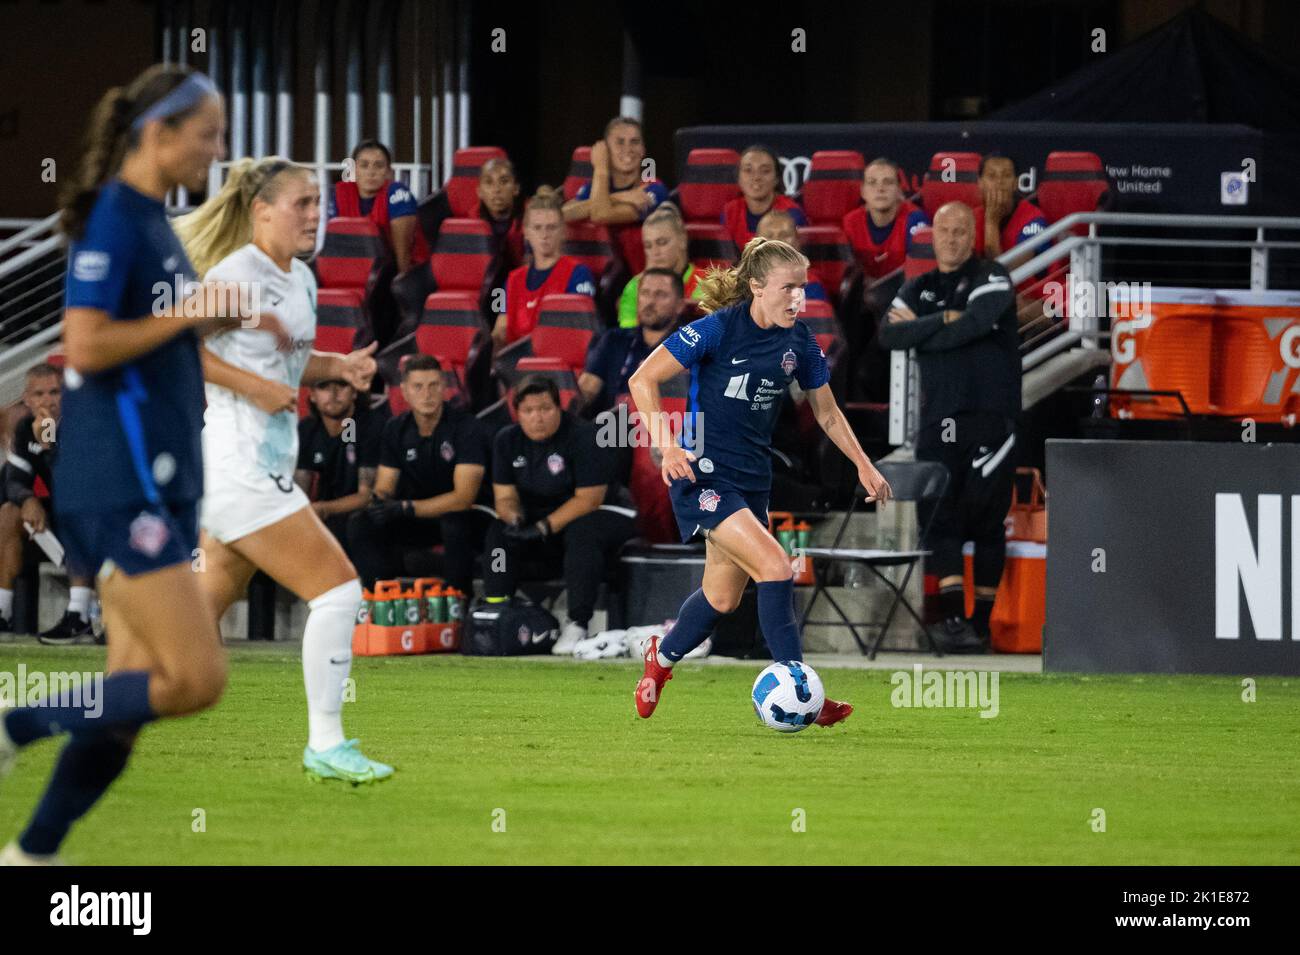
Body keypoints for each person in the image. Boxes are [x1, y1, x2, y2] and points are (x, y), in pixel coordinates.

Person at [0, 65, 263, 865]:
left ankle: (33, 853)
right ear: (160, 131)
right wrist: (187, 313)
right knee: (197, 678)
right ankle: (15, 724)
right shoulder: (117, 216)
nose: (217, 150)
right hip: (122, 482)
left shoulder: (153, 219)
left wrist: (208, 327)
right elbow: (83, 344)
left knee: (125, 706)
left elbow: (149, 336)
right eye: (208, 133)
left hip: (160, 480)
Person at [175, 155, 393, 784]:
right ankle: (326, 743)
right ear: (260, 210)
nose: (314, 213)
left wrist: (339, 366)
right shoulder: (236, 274)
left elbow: (290, 365)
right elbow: (177, 344)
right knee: (338, 590)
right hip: (237, 463)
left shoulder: (297, 277)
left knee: (189, 624)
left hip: (257, 463)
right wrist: (252, 386)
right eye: (300, 202)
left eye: (318, 202)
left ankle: (76, 716)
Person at [627, 236, 892, 723]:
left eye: (803, 289)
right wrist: (667, 444)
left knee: (722, 597)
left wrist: (863, 463)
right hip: (702, 472)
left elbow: (828, 412)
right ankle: (801, 689)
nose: (798, 298)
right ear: (756, 287)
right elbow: (642, 380)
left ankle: (659, 661)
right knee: (775, 566)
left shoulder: (800, 341)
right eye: (788, 288)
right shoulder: (716, 330)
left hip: (753, 480)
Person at [877, 202, 1020, 653]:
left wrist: (924, 331)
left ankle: (984, 623)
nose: (952, 238)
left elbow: (976, 324)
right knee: (939, 518)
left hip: (990, 420)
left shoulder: (991, 275)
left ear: (972, 233)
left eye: (960, 231)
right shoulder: (919, 287)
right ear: (932, 236)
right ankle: (956, 622)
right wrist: (941, 320)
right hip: (937, 421)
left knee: (987, 521)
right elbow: (889, 335)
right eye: (944, 231)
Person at [484, 376, 637, 655]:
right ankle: (496, 608)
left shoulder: (583, 435)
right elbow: (504, 497)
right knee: (499, 530)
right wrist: (514, 518)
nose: (537, 417)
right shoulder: (506, 440)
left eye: (545, 409)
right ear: (517, 413)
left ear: (559, 407)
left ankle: (578, 622)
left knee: (583, 531)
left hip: (605, 511)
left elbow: (589, 499)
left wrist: (542, 527)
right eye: (529, 411)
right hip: (543, 517)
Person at [347, 355, 492, 594]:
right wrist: (379, 502)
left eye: (434, 385)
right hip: (415, 515)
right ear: (404, 391)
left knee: (454, 523)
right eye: (418, 387)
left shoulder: (467, 427)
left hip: (467, 516)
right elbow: (385, 486)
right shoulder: (395, 428)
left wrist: (405, 507)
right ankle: (381, 598)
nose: (427, 394)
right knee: (361, 523)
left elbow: (463, 498)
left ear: (444, 387)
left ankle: (458, 601)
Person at [0, 364, 99, 643]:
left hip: (98, 522)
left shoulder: (81, 422)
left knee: (75, 506)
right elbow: (14, 480)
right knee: (9, 511)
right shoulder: (23, 428)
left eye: (54, 392)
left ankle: (79, 615)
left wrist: (49, 445)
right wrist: (27, 498)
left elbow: (76, 487)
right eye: (39, 394)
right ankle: (2, 611)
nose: (48, 401)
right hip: (59, 523)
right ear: (27, 400)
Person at [563, 117, 670, 274]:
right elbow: (563, 214)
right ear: (606, 150)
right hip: (601, 275)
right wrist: (619, 197)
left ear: (642, 150)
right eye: (620, 142)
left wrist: (600, 169)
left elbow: (601, 215)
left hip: (643, 280)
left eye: (634, 142)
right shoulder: (597, 188)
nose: (628, 149)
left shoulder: (654, 189)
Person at [495, 186, 596, 346]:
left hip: (557, 360)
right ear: (526, 232)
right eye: (537, 228)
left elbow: (577, 332)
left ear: (563, 231)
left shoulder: (578, 274)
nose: (544, 235)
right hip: (514, 362)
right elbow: (501, 330)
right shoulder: (512, 280)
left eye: (551, 227)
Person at [295, 377, 385, 553]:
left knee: (354, 524)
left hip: (361, 516)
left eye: (342, 385)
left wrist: (323, 509)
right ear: (312, 395)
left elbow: (367, 496)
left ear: (354, 392)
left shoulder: (370, 426)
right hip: (322, 515)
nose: (333, 394)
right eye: (324, 386)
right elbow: (300, 492)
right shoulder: (307, 429)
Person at [582, 267, 684, 415]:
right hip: (610, 429)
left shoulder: (690, 346)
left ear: (679, 306)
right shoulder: (614, 339)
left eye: (660, 295)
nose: (650, 302)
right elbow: (587, 388)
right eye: (645, 293)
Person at [329, 139, 428, 274]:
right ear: (353, 171)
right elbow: (337, 245)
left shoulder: (398, 193)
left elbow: (404, 257)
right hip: (360, 271)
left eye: (379, 166)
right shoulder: (342, 194)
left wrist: (401, 286)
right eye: (364, 165)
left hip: (400, 272)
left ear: (388, 172)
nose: (371, 172)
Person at [616, 202, 703, 328]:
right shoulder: (634, 286)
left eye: (662, 243)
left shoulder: (707, 283)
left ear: (682, 240)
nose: (654, 252)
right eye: (648, 246)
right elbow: (630, 336)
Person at [841, 157, 930, 280]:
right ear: (862, 191)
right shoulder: (850, 223)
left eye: (888, 182)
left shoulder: (915, 219)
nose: (880, 189)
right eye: (872, 182)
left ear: (899, 190)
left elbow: (920, 273)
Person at [721, 144, 807, 250]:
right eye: (748, 170)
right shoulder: (730, 212)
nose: (756, 177)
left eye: (765, 171)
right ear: (738, 178)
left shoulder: (792, 214)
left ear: (776, 178)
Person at [971, 153, 1048, 263]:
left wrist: (991, 222)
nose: (999, 182)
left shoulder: (1033, 218)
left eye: (1006, 175)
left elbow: (1007, 272)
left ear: (1016, 183)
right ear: (980, 183)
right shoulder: (971, 218)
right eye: (992, 176)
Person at [755, 210, 827, 301]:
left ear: (798, 242)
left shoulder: (810, 285)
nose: (776, 241)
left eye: (784, 235)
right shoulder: (740, 284)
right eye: (769, 236)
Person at [476, 156, 525, 270]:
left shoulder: (533, 217)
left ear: (516, 189)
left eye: (504, 181)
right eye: (489, 182)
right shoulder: (472, 222)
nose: (497, 189)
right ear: (479, 192)